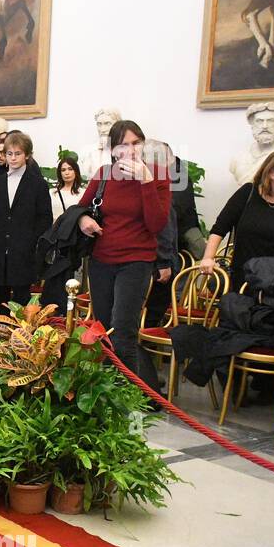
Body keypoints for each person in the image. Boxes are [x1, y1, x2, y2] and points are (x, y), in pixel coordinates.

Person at [77, 120, 171, 388]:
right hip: (101, 260)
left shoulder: (158, 174)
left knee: (123, 331)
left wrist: (145, 182)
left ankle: (126, 398)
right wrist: (84, 221)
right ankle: (106, 390)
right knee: (104, 328)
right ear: (113, 149)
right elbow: (81, 209)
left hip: (137, 261)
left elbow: (157, 224)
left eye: (136, 143)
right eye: (124, 145)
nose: (130, 150)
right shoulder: (104, 174)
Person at [201, 150, 274, 290]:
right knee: (237, 310)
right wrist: (208, 257)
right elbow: (220, 227)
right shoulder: (248, 192)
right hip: (241, 277)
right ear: (272, 173)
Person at [0, 130, 52, 309]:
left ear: (27, 155)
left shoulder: (37, 184)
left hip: (24, 252)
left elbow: (45, 217)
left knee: (21, 302)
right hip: (0, 251)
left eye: (18, 154)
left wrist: (31, 240)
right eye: (9, 153)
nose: (13, 158)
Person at [52, 154, 86, 219]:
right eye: (63, 170)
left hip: (73, 227)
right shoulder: (52, 192)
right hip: (55, 228)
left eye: (70, 169)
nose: (67, 173)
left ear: (76, 171)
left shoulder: (83, 193)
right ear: (60, 173)